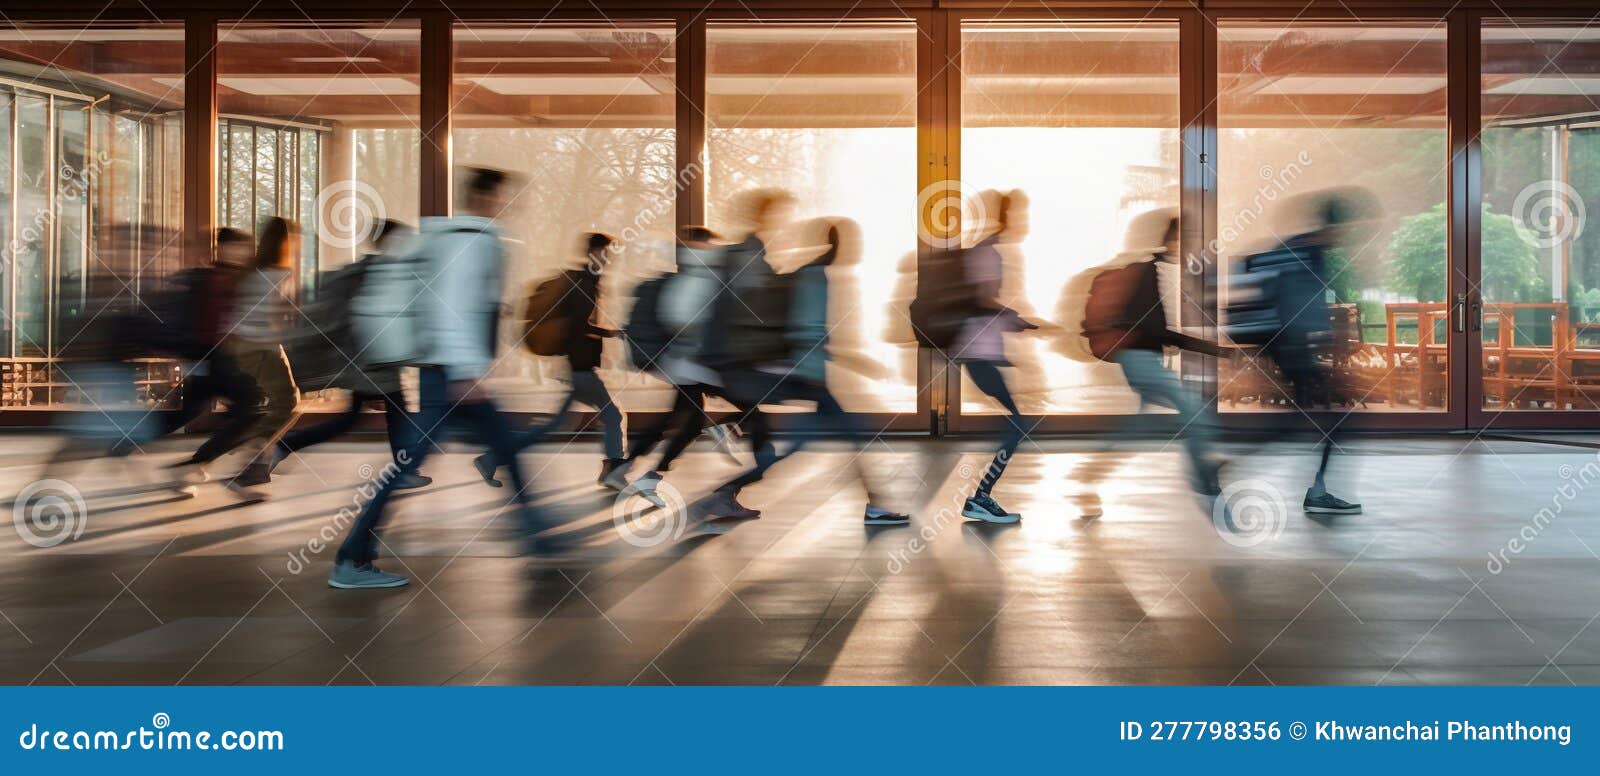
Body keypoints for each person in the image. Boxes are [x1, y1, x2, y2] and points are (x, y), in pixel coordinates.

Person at [330, 167, 545, 590]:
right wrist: (465, 372)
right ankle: (351, 558)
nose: (512, 205)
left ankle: (540, 539)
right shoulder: (474, 242)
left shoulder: (449, 238)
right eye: (506, 197)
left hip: (444, 372)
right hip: (453, 376)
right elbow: (450, 307)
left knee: (503, 450)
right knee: (414, 463)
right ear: (488, 198)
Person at [272, 219, 430, 490]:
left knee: (356, 419)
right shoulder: (376, 273)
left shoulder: (376, 270)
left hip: (371, 362)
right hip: (371, 362)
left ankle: (287, 444)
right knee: (394, 413)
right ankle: (404, 471)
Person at [1080, 209, 1227, 496]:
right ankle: (1203, 473)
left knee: (1139, 426)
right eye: (1188, 239)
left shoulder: (1155, 270)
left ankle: (1090, 474)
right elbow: (1156, 329)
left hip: (1140, 359)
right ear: (1173, 240)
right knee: (1196, 411)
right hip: (1141, 360)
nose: (1192, 247)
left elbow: (1155, 328)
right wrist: (1215, 350)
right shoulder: (1152, 272)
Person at [473, 232, 627, 490]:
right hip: (579, 367)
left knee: (555, 425)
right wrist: (609, 332)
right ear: (596, 252)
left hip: (575, 365)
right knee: (611, 415)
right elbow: (579, 327)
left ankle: (492, 458)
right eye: (607, 252)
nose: (610, 258)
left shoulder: (583, 280)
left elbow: (577, 324)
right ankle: (613, 467)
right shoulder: (585, 283)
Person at [622, 226, 746, 507]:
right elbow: (683, 320)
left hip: (690, 365)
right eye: (707, 245)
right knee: (748, 406)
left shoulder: (696, 275)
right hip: (698, 365)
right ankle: (720, 437)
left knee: (683, 420)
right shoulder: (698, 277)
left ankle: (636, 470)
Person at [948, 189, 1035, 524]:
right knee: (1017, 425)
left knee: (1016, 423)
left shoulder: (986, 250)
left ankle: (982, 496)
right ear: (1007, 216)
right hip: (977, 354)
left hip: (979, 354)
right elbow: (983, 301)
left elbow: (980, 302)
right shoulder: (990, 253)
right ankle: (981, 497)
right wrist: (1014, 317)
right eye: (1021, 214)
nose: (1024, 222)